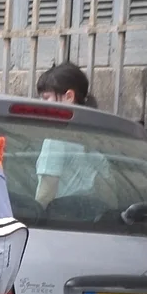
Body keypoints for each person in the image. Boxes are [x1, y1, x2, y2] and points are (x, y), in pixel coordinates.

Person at [34, 61, 106, 211]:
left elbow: (46, 192)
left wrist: (34, 217)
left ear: (69, 96)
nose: (41, 103)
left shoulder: (56, 138)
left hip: (61, 218)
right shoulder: (94, 135)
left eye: (46, 98)